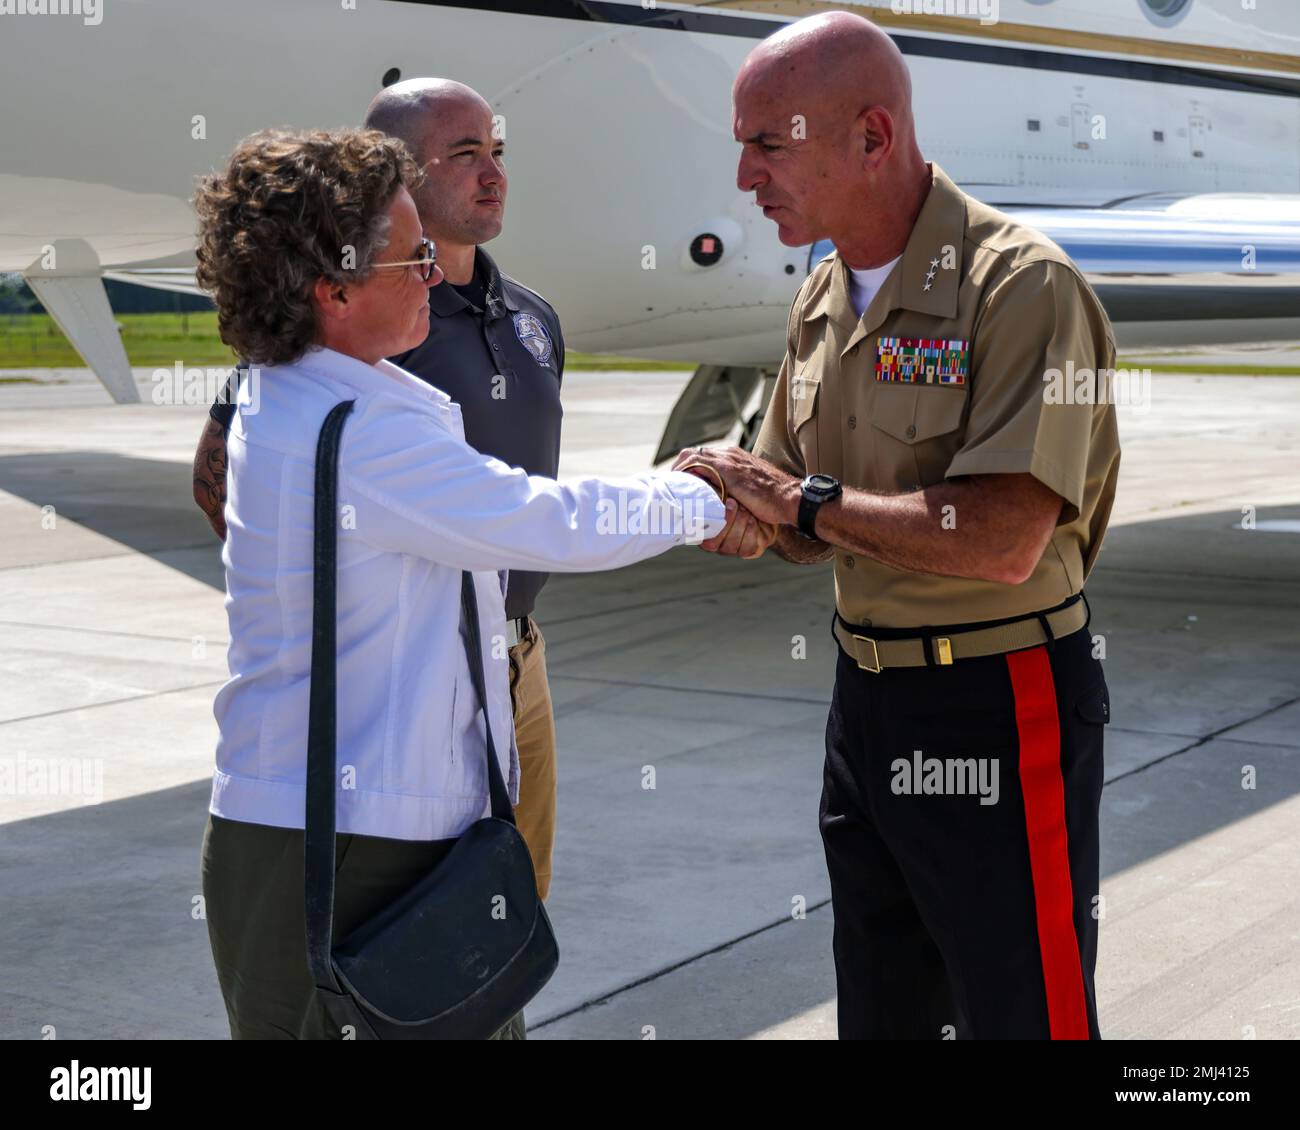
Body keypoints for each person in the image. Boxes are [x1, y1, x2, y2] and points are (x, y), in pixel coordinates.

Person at [194, 126, 729, 1040]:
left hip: (343, 826)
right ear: (333, 289)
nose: (434, 277)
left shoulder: (299, 394)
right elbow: (546, 521)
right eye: (412, 260)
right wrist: (710, 496)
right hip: (347, 845)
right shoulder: (359, 431)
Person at [677, 11, 1120, 1040]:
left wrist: (805, 505)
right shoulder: (826, 290)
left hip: (996, 703)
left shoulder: (1021, 288)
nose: (745, 176)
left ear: (872, 137)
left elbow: (1003, 538)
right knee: (884, 1007)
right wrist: (738, 508)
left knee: (1025, 1012)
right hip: (863, 700)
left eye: (767, 143)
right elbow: (793, 499)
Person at [194, 77, 568, 902]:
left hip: (519, 653)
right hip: (406, 674)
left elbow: (531, 500)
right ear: (395, 177)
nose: (493, 172)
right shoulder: (347, 328)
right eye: (464, 153)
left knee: (513, 902)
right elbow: (227, 482)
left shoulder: (533, 317)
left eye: (497, 150)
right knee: (406, 919)